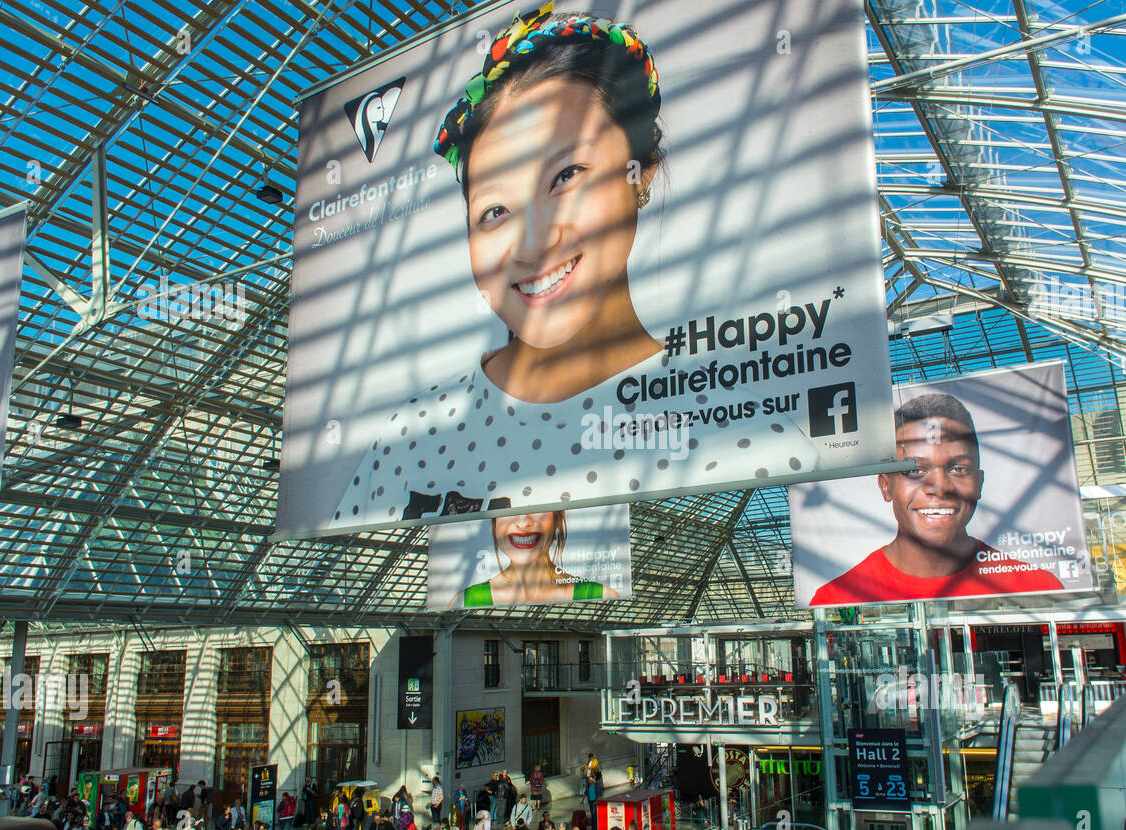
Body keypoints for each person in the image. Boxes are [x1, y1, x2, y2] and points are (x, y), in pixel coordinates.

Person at [333, 4, 820, 532]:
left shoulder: (755, 438)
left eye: (566, 176)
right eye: (494, 211)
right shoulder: (408, 439)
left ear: (642, 173)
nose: (534, 242)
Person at [810, 393, 1065, 604]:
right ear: (885, 485)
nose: (940, 487)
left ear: (979, 483)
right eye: (915, 470)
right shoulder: (837, 598)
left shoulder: (1037, 588)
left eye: (958, 469)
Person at [449, 512, 618, 607]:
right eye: (507, 508)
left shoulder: (602, 594)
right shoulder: (464, 601)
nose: (523, 523)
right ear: (494, 523)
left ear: (557, 520)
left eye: (538, 506)